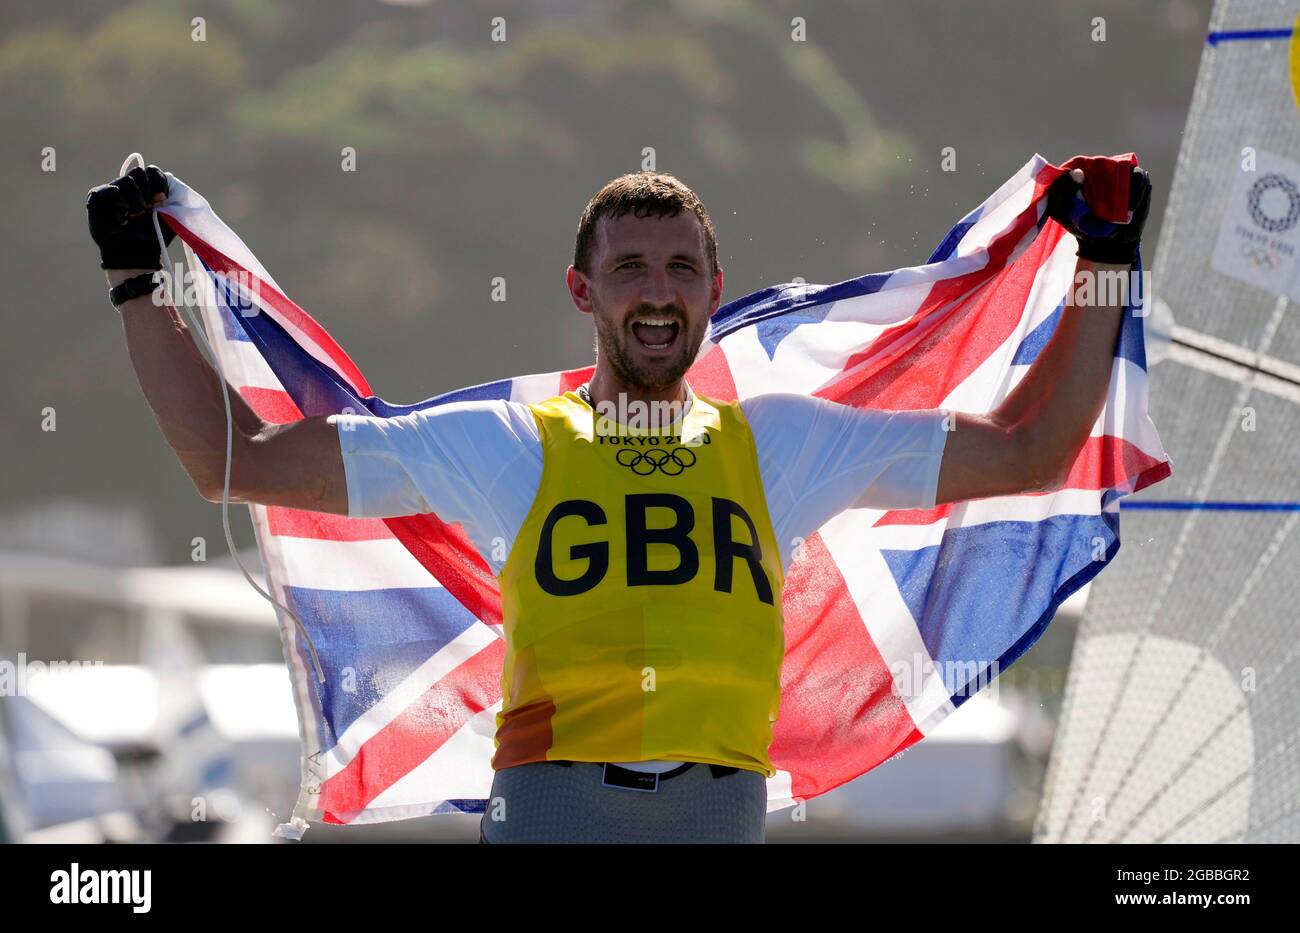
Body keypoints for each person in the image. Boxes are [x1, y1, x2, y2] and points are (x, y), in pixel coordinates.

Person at [87, 162, 1150, 843]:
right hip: (556, 807)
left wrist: (1102, 262)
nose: (657, 287)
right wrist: (138, 282)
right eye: (630, 266)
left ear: (711, 291)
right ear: (582, 292)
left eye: (680, 268)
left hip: (717, 809)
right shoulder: (502, 441)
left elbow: (1028, 450)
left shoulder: (780, 440)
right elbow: (243, 463)